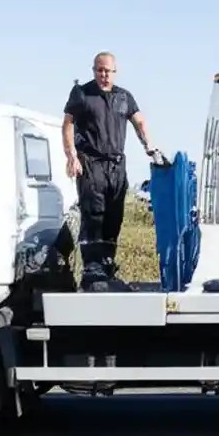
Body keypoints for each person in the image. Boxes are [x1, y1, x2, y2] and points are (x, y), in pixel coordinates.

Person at [62, 51, 165, 290]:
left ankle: (107, 265)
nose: (103, 75)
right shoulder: (82, 94)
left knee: (114, 215)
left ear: (114, 72)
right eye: (99, 70)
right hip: (91, 162)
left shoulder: (124, 97)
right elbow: (67, 124)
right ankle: (92, 268)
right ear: (94, 71)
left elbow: (139, 121)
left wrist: (150, 146)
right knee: (94, 213)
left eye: (107, 71)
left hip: (117, 165)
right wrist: (72, 156)